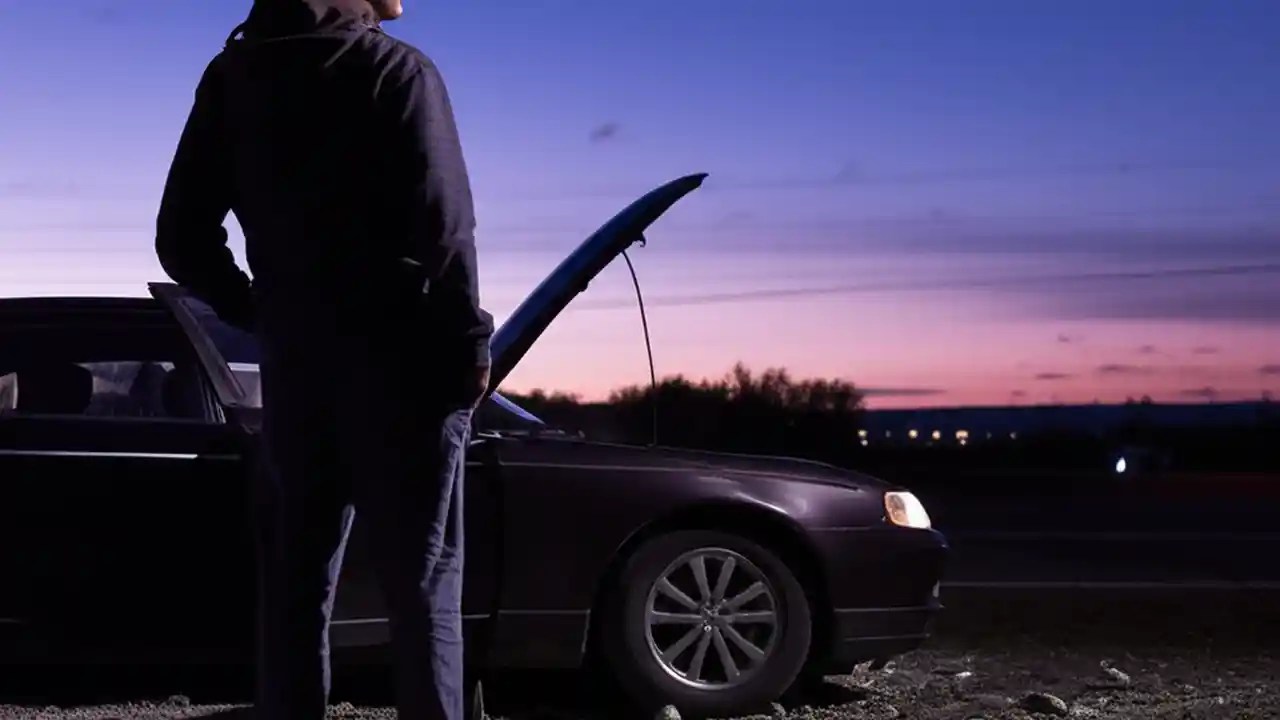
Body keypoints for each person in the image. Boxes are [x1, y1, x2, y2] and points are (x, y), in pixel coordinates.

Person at [153, 1, 493, 718]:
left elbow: (181, 235)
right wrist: (468, 344)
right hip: (405, 372)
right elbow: (445, 226)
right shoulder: (397, 71)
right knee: (424, 587)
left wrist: (257, 310)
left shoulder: (233, 75)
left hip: (299, 368)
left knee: (296, 587)